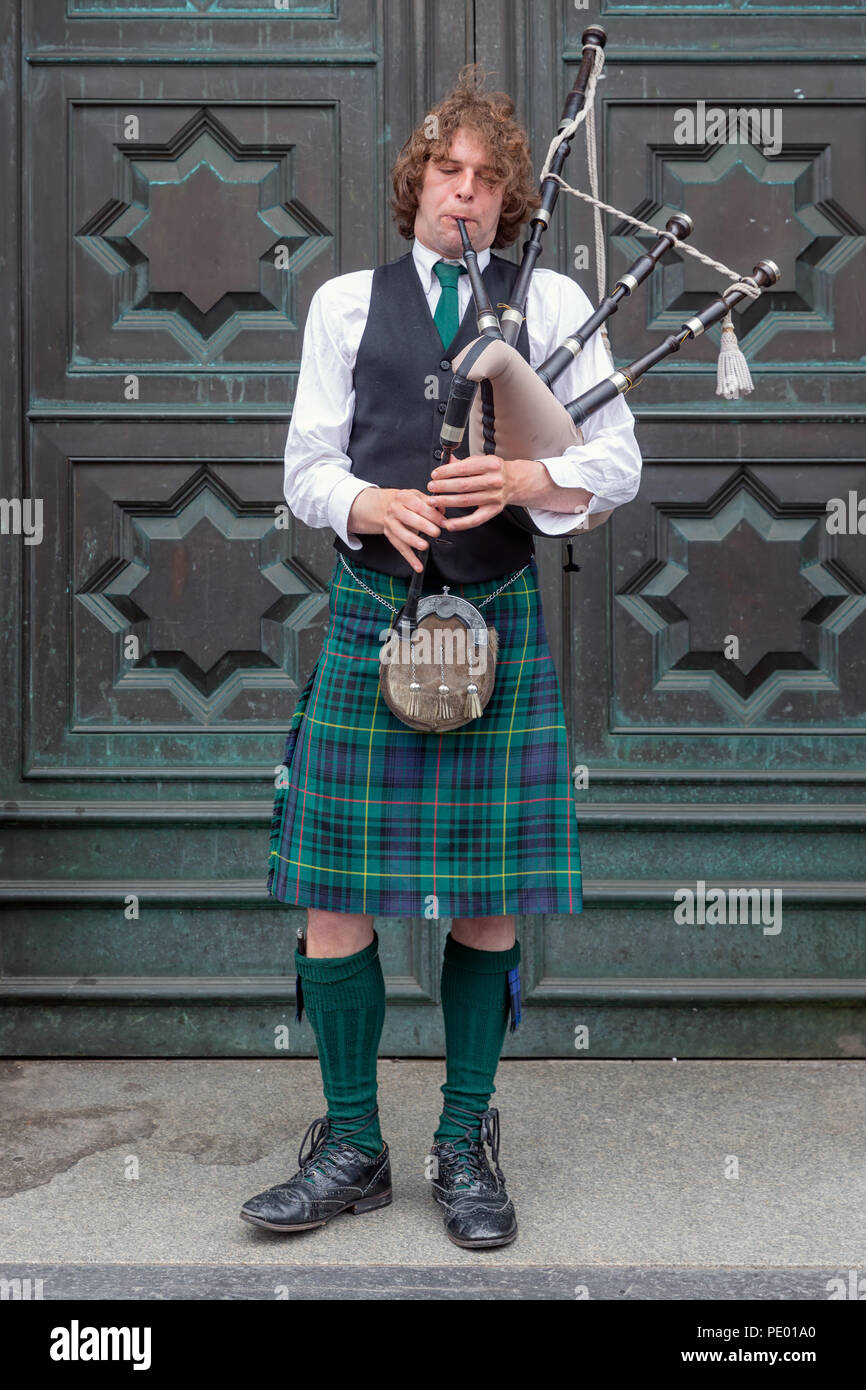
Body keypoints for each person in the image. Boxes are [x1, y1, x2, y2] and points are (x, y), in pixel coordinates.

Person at [240, 65, 641, 1250]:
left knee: (488, 900)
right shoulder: (343, 306)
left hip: (495, 616)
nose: (459, 195)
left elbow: (615, 465)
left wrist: (526, 479)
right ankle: (352, 1144)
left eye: (483, 180)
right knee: (332, 900)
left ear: (507, 198)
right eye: (443, 173)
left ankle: (463, 1141)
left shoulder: (555, 302)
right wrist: (369, 504)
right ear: (415, 183)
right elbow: (303, 468)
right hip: (373, 616)